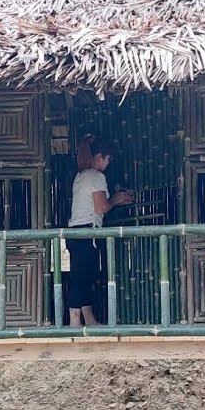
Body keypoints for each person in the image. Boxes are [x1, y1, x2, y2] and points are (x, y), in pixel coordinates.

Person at [66, 135, 134, 326]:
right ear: (99, 156)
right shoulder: (97, 176)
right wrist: (116, 199)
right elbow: (101, 208)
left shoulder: (81, 175)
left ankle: (88, 318)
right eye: (108, 159)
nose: (108, 163)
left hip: (75, 231)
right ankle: (74, 321)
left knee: (82, 274)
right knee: (82, 277)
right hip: (87, 232)